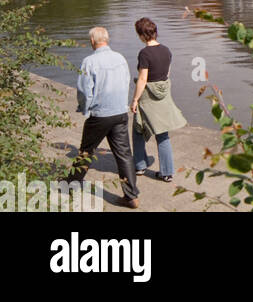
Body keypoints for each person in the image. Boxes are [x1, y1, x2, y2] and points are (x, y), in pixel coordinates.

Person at [66, 27, 140, 208]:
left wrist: (85, 108)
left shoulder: (89, 61)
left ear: (92, 41)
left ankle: (71, 184)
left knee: (86, 151)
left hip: (100, 114)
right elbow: (126, 82)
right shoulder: (121, 58)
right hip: (120, 113)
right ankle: (131, 196)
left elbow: (84, 91)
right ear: (107, 40)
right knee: (124, 155)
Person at [130, 18, 186, 182]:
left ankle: (140, 166)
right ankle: (167, 172)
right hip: (163, 95)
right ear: (155, 32)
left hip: (148, 96)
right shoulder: (167, 50)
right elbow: (166, 74)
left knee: (138, 129)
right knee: (162, 134)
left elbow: (142, 79)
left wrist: (134, 100)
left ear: (141, 35)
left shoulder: (144, 53)